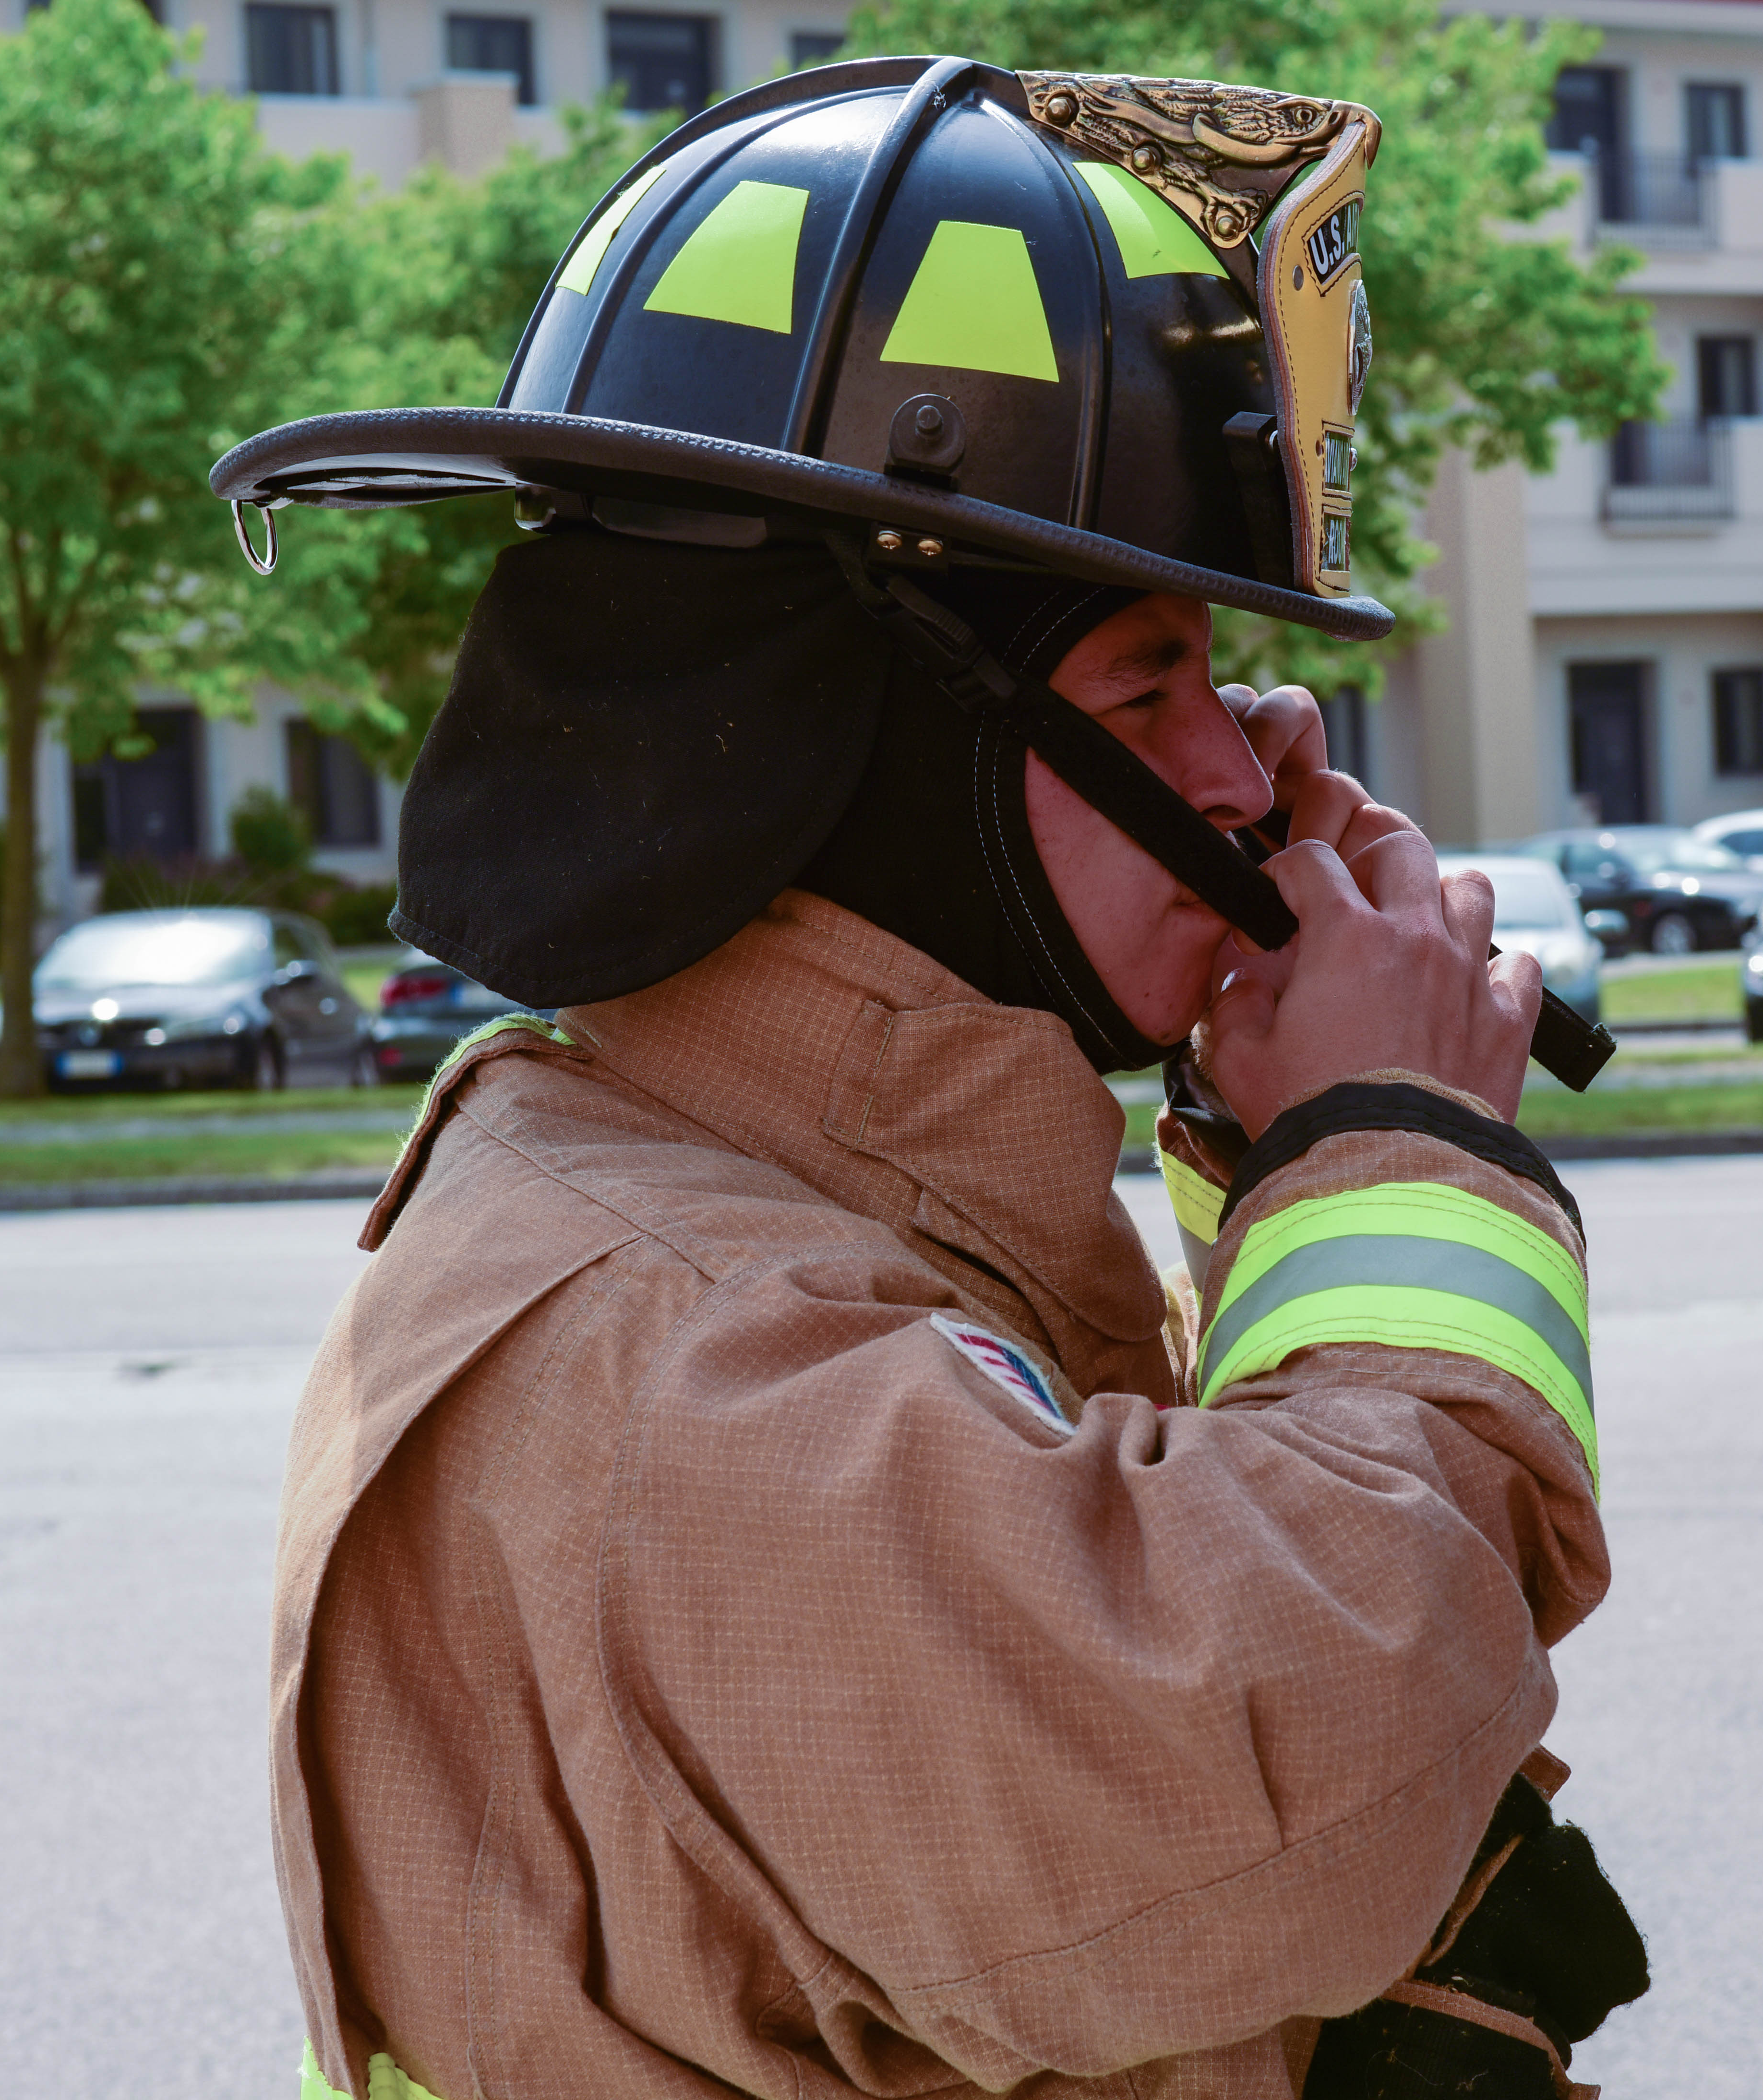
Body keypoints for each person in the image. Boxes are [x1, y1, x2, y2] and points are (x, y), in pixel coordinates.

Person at [220, 57, 1643, 2100]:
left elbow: (1162, 1559)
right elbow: (1331, 1748)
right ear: (867, 743)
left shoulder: (812, 1198)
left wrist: (1273, 1138)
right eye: (1147, 681)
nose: (1251, 772)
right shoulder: (696, 1355)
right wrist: (1389, 1150)